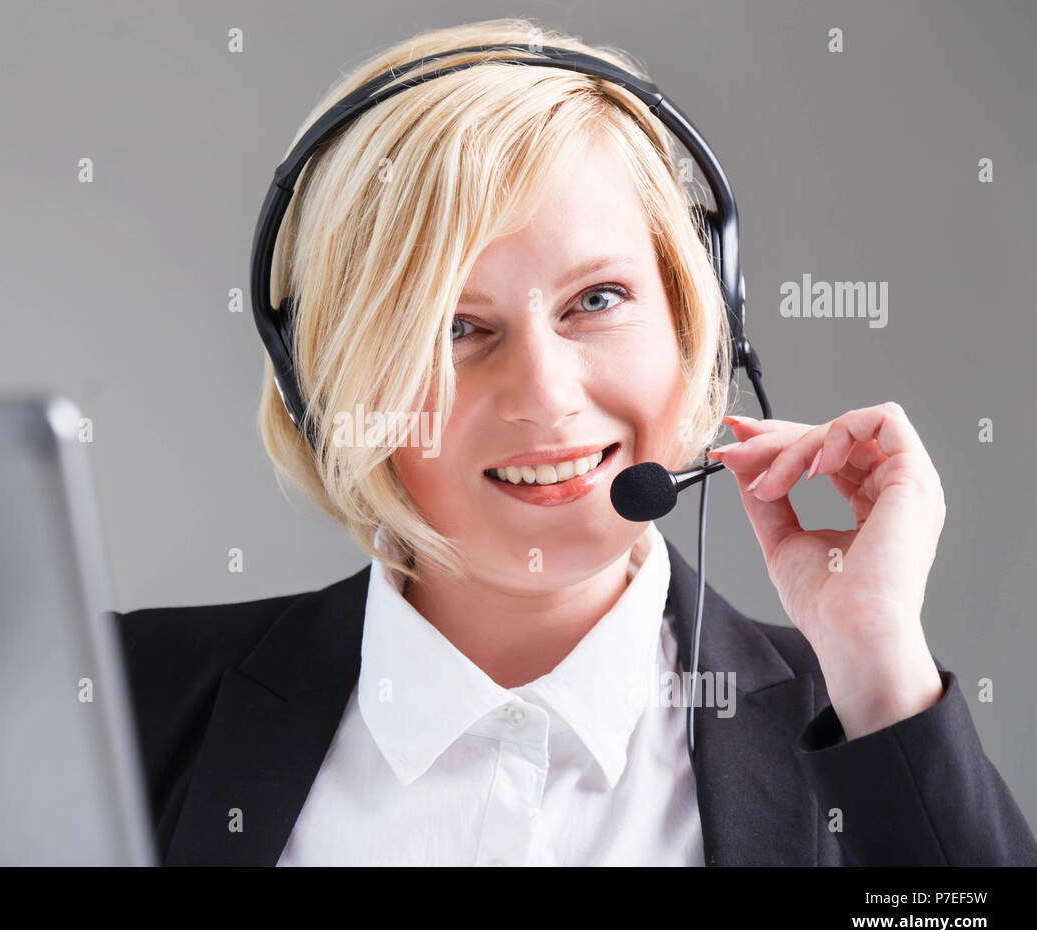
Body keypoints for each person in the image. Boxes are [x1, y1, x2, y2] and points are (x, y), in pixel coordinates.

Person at [113, 18, 1037, 865]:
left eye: (596, 301)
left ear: (693, 317)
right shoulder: (118, 710)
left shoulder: (863, 737)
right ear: (325, 381)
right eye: (454, 328)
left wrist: (876, 669)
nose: (546, 399)